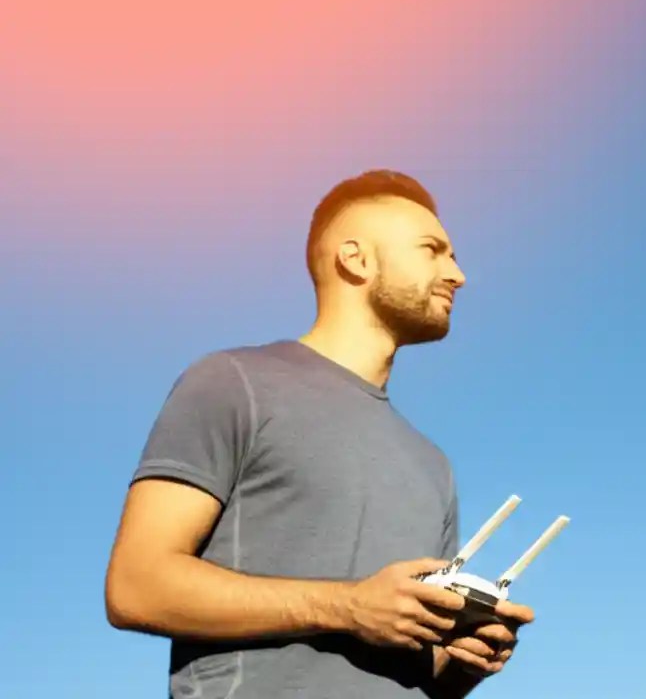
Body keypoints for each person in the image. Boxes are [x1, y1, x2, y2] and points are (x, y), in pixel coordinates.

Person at [104, 169, 534, 699]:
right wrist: (347, 607)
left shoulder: (433, 465)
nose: (458, 274)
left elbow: (415, 675)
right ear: (356, 259)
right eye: (433, 249)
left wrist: (462, 662)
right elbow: (135, 587)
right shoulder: (234, 382)